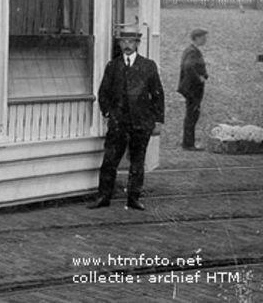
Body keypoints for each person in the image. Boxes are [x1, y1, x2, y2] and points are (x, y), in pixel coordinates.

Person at [88, 26, 164, 211]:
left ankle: (134, 199)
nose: (127, 45)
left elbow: (158, 95)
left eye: (131, 42)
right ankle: (103, 197)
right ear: (120, 44)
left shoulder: (148, 66)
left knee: (137, 162)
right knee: (109, 161)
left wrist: (157, 121)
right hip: (118, 124)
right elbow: (103, 93)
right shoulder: (113, 66)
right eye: (124, 42)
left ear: (137, 44)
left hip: (141, 123)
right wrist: (108, 113)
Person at [177, 28, 209, 150]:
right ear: (197, 38)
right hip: (192, 88)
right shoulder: (192, 52)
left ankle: (188, 142)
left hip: (190, 87)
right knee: (192, 115)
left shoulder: (191, 50)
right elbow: (188, 67)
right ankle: (189, 144)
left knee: (191, 114)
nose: (205, 39)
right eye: (203, 37)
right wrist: (199, 78)